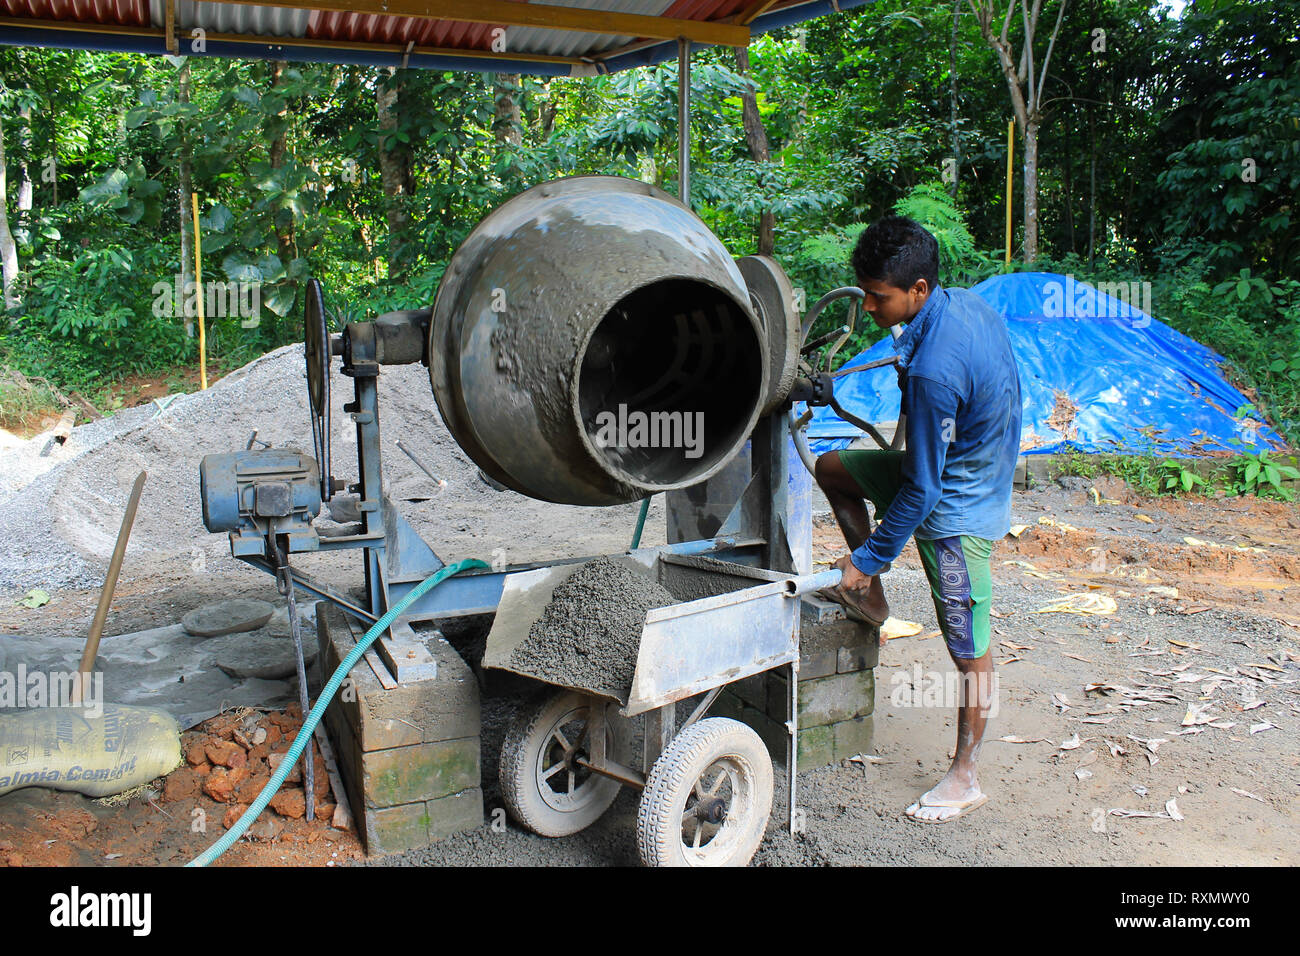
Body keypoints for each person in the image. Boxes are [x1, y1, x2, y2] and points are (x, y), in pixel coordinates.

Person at [813, 215, 1022, 824]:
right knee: (833, 468)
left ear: (919, 289)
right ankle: (872, 596)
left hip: (957, 503)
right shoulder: (963, 305)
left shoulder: (935, 369)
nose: (869, 305)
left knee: (968, 647)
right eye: (866, 292)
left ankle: (965, 775)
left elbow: (924, 490)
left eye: (879, 297)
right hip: (950, 463)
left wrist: (867, 555)